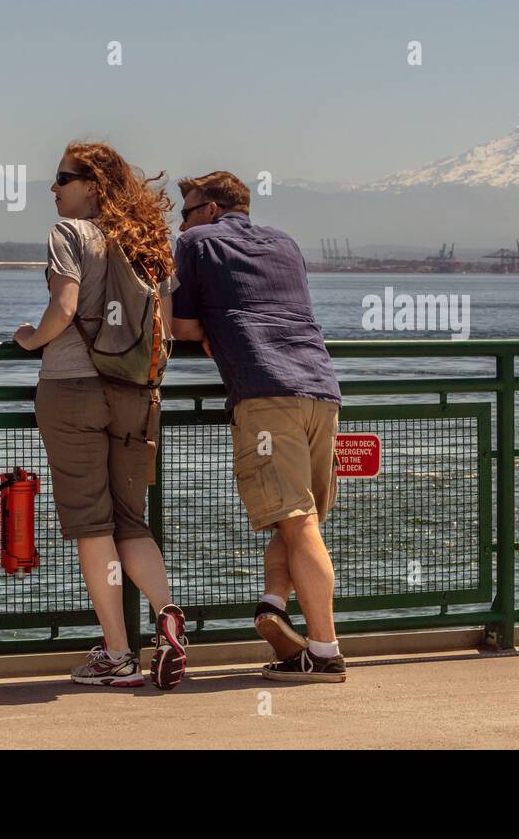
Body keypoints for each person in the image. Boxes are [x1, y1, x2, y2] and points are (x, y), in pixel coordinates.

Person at [13, 141, 188, 690]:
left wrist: (27, 339)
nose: (53, 189)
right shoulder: (148, 241)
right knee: (130, 521)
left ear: (91, 184)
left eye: (62, 179)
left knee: (93, 525)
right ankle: (167, 613)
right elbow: (169, 328)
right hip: (135, 393)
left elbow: (62, 310)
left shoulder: (69, 234)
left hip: (73, 390)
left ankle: (117, 654)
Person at [171, 171, 346, 682]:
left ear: (211, 210)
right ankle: (273, 605)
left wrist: (211, 332)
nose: (180, 222)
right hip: (321, 389)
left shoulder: (196, 242)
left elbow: (179, 327)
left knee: (297, 520)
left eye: (186, 211)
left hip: (264, 391)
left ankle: (325, 650)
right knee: (300, 517)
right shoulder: (286, 243)